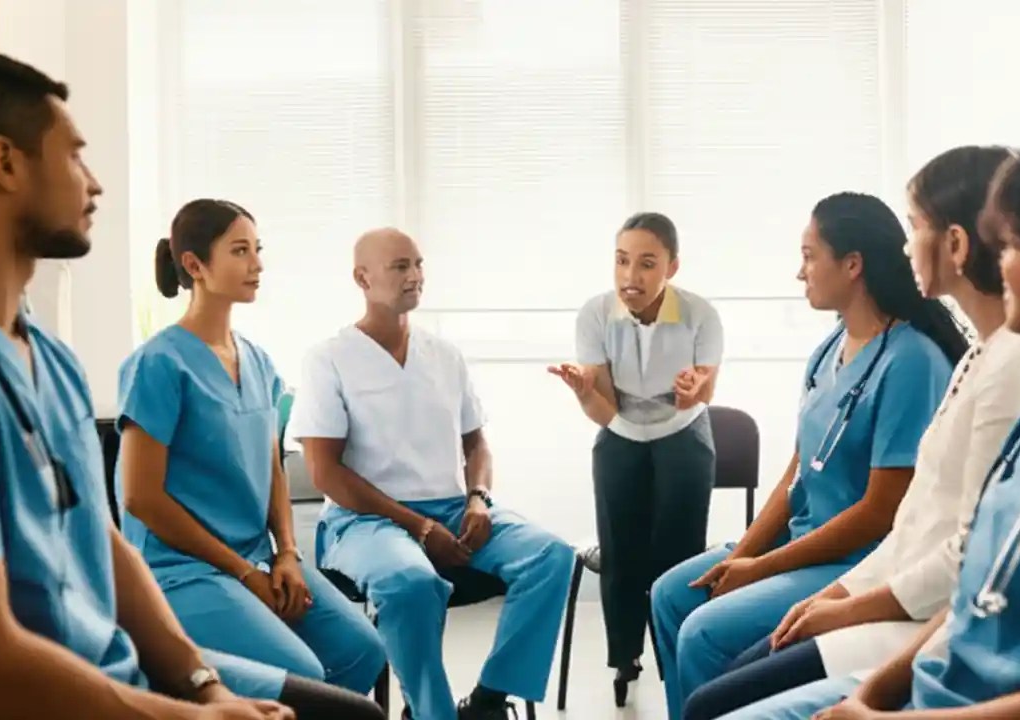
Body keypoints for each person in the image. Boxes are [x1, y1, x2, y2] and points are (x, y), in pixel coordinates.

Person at [0, 49, 295, 719]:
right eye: (74, 156)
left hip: (115, 667)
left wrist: (206, 685)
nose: (95, 182)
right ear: (4, 162)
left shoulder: (48, 356)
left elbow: (102, 541)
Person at [733, 137, 1020, 720]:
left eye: (1013, 244)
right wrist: (873, 695)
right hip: (941, 676)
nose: (999, 262)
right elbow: (977, 589)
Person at [682, 146, 1020, 720]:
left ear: (957, 244)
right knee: (715, 684)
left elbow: (968, 551)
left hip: (916, 611)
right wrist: (835, 595)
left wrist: (848, 603)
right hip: (892, 584)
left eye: (915, 228)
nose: (907, 246)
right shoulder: (976, 360)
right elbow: (915, 521)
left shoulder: (1008, 363)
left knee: (717, 687)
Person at [650, 192, 965, 719]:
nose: (800, 273)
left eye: (809, 255)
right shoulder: (831, 346)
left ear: (852, 265)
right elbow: (796, 472)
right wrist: (741, 557)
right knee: (670, 594)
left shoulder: (911, 362)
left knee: (704, 631)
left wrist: (763, 566)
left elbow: (879, 512)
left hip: (855, 562)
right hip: (800, 541)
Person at [286, 227, 577, 720]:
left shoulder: (444, 355)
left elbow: (476, 441)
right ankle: (430, 713)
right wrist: (418, 527)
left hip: (451, 507)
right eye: (400, 266)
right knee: (410, 583)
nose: (415, 276)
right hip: (364, 522)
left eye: (419, 264)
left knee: (551, 556)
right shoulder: (328, 359)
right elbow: (325, 472)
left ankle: (487, 701)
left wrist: (479, 497)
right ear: (362, 277)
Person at [116, 199, 388, 706]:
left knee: (361, 650)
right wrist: (245, 574)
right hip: (180, 571)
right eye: (240, 251)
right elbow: (140, 499)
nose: (257, 264)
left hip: (257, 558)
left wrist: (286, 552)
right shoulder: (158, 363)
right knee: (301, 672)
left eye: (257, 250)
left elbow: (272, 471)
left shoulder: (259, 363)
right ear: (195, 266)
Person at [547, 212, 723, 704]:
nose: (631, 277)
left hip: (682, 432)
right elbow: (605, 412)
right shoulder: (595, 314)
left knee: (679, 555)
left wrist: (692, 390)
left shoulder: (700, 315)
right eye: (622, 261)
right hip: (621, 431)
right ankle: (625, 657)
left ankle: (679, 654)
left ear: (672, 266)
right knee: (621, 553)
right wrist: (584, 392)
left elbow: (703, 394)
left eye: (647, 264)